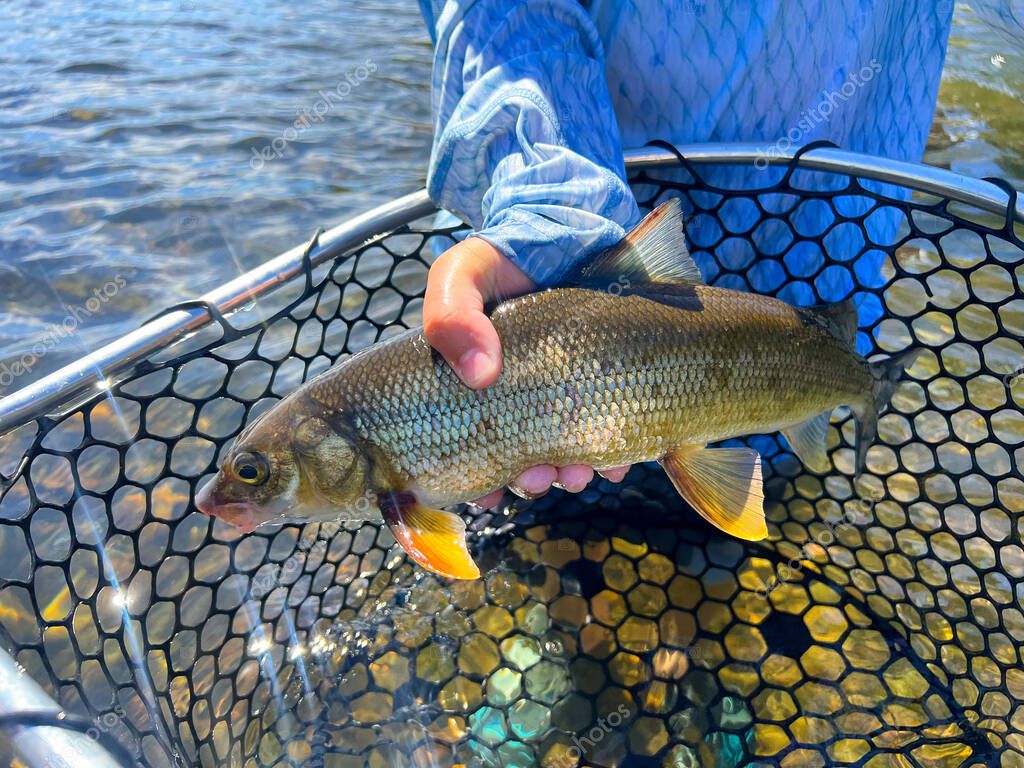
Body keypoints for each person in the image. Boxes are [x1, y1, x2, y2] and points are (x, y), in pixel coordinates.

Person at [417, 0, 954, 506]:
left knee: (760, 502)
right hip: (581, 260)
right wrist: (554, 201)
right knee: (541, 490)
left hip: (822, 235)